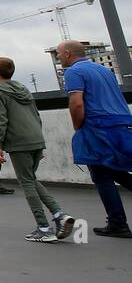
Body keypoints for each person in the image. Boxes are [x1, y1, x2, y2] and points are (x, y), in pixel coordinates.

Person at [0, 56, 77, 243]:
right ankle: (59, 214)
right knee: (31, 179)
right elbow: (36, 115)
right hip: (35, 138)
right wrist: (39, 142)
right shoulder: (23, 89)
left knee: (26, 183)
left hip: (18, 141)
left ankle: (43, 227)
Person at [56, 39, 132, 238]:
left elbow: (77, 103)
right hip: (121, 125)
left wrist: (77, 126)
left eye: (59, 53)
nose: (58, 57)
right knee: (118, 170)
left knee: (102, 175)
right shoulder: (105, 71)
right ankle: (117, 222)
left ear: (67, 54)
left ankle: (118, 223)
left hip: (97, 127)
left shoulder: (73, 72)